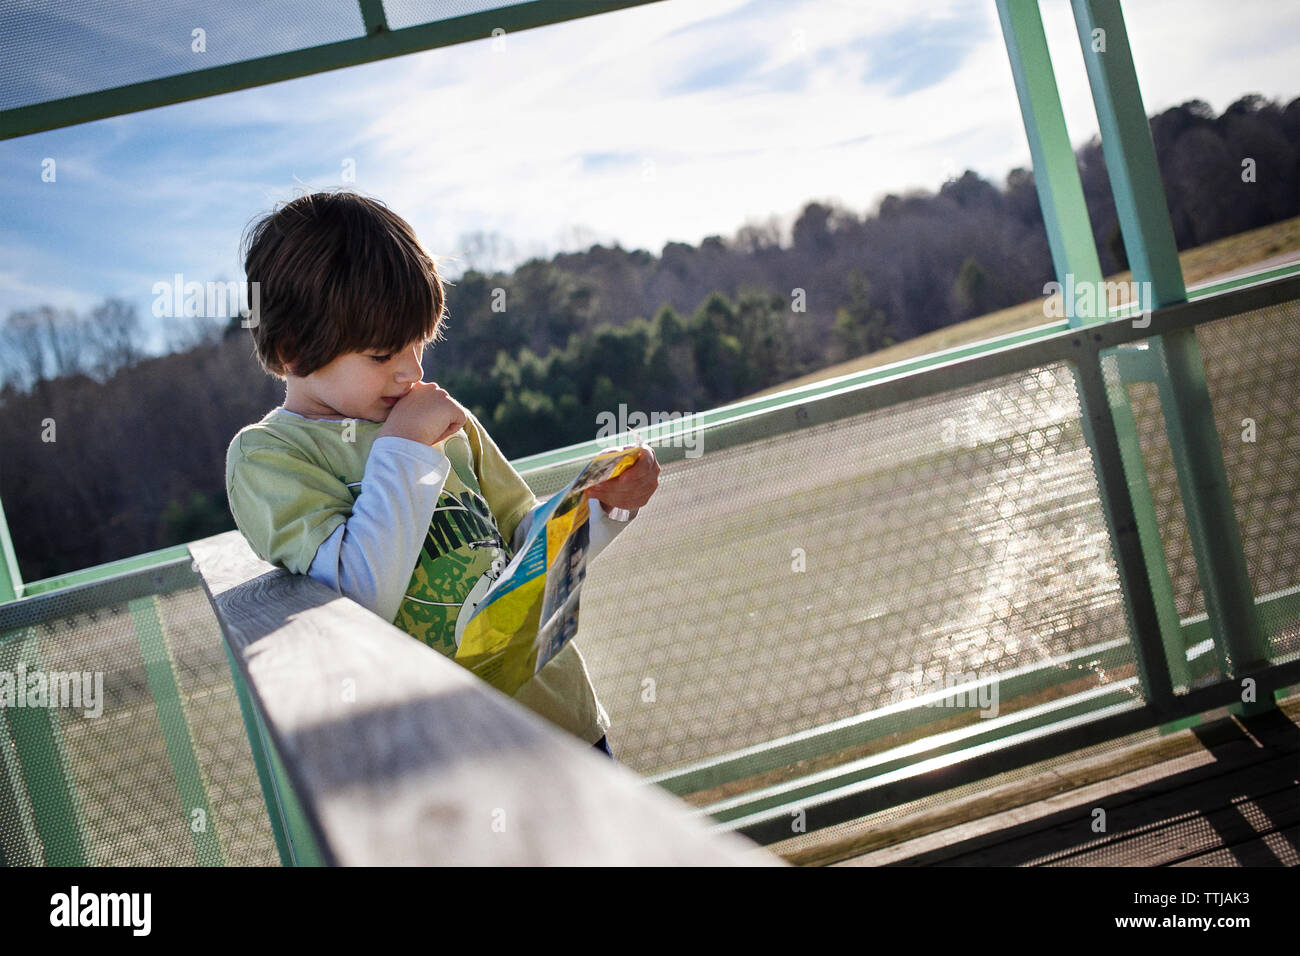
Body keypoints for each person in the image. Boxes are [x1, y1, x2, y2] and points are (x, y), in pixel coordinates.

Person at [224, 189, 659, 760]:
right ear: (292, 351)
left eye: (418, 344)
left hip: (560, 715)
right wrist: (403, 446)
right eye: (382, 355)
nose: (412, 370)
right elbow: (357, 599)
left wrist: (603, 506)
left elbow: (523, 539)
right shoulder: (270, 457)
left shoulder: (440, 422)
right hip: (444, 753)